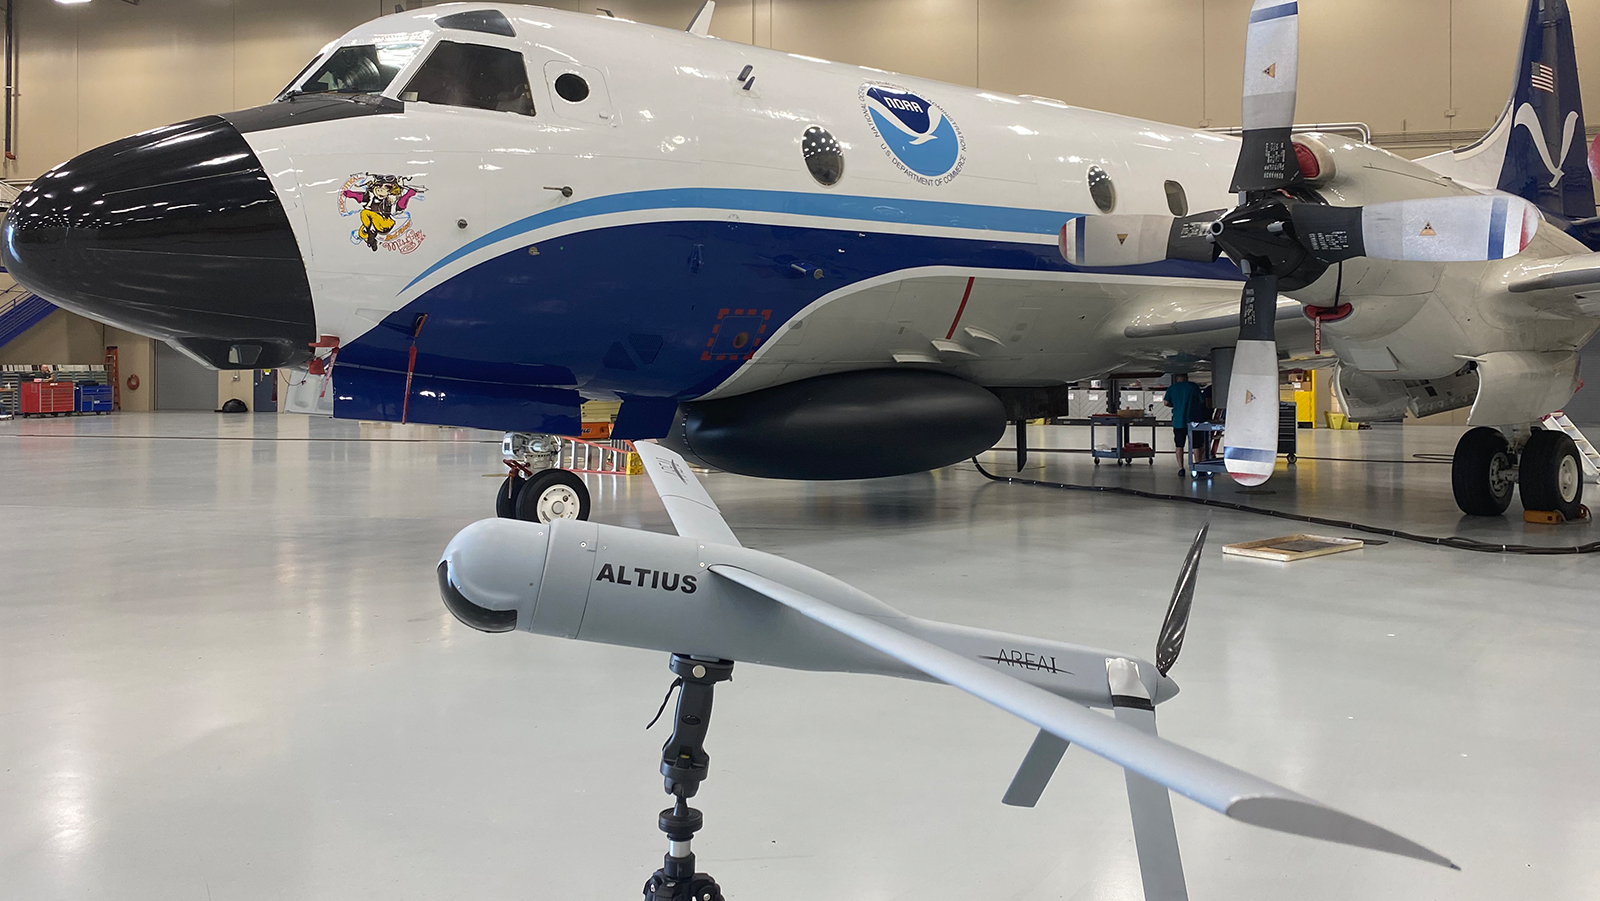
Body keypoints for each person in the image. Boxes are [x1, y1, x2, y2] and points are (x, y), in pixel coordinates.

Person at [1163, 373, 1204, 472]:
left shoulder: (1172, 388)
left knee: (1179, 445)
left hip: (1178, 421)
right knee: (1196, 445)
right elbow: (1202, 401)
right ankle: (1197, 466)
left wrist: (1176, 406)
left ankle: (1181, 468)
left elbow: (1166, 402)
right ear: (1187, 377)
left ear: (1177, 378)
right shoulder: (1193, 386)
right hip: (1193, 421)